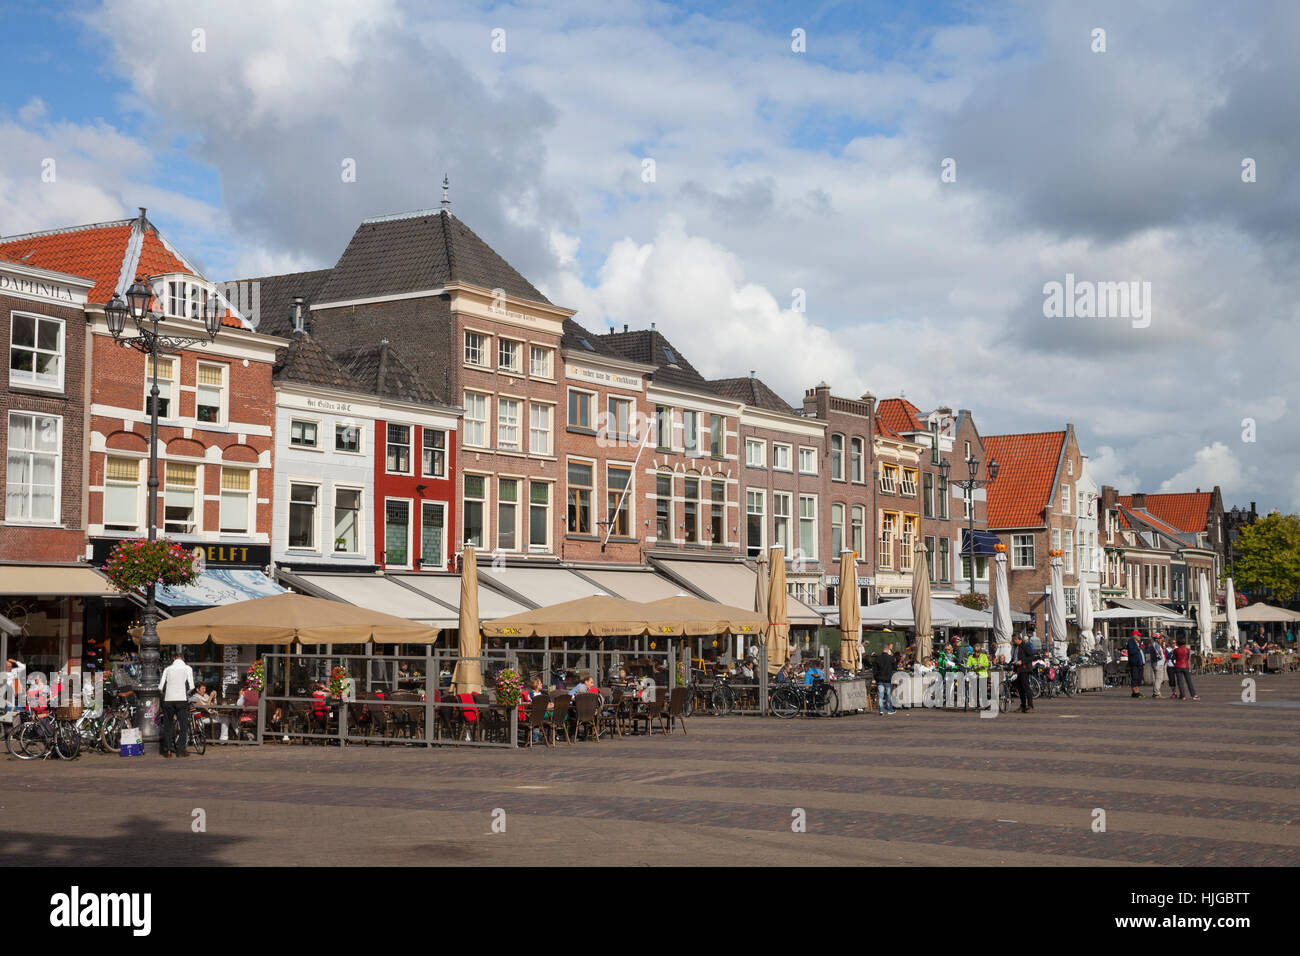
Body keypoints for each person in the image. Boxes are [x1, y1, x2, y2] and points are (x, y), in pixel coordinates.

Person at [158, 651, 195, 758]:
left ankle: (169, 750)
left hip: (168, 700)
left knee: (168, 725)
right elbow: (192, 686)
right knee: (183, 726)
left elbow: (160, 687)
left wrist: (166, 694)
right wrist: (185, 693)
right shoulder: (187, 668)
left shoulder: (167, 669)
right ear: (183, 659)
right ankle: (181, 751)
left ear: (174, 659)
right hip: (181, 699)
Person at [1011, 634, 1034, 712]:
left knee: (1026, 688)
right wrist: (1010, 663)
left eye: (1013, 640)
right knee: (1020, 689)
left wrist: (1022, 662)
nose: (1013, 641)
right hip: (1017, 670)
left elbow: (1031, 656)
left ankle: (1031, 706)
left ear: (1017, 639)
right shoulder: (1016, 647)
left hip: (1024, 669)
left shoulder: (1025, 646)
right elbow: (1015, 657)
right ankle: (1023, 705)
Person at [873, 641, 898, 716]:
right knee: (888, 695)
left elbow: (874, 670)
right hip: (887, 679)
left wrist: (876, 678)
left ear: (883, 650)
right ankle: (890, 710)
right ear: (887, 650)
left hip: (879, 679)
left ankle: (881, 710)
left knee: (880, 696)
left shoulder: (877, 658)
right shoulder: (890, 658)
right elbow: (895, 668)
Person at [1126, 630, 1146, 699]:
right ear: (1134, 635)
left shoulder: (1139, 642)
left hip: (1140, 663)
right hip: (1135, 663)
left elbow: (1142, 651)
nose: (1139, 636)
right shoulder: (1131, 642)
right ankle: (1136, 692)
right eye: (1138, 635)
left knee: (1139, 678)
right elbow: (1131, 651)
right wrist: (1139, 647)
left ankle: (1135, 692)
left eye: (1140, 635)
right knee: (1135, 678)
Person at [1148, 635, 1169, 700]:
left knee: (1158, 679)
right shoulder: (1155, 645)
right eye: (1160, 638)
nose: (1161, 640)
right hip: (1158, 664)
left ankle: (1155, 692)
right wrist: (1160, 658)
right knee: (1159, 679)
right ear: (1156, 639)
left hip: (1157, 663)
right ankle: (1156, 693)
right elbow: (1158, 653)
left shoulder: (1154, 644)